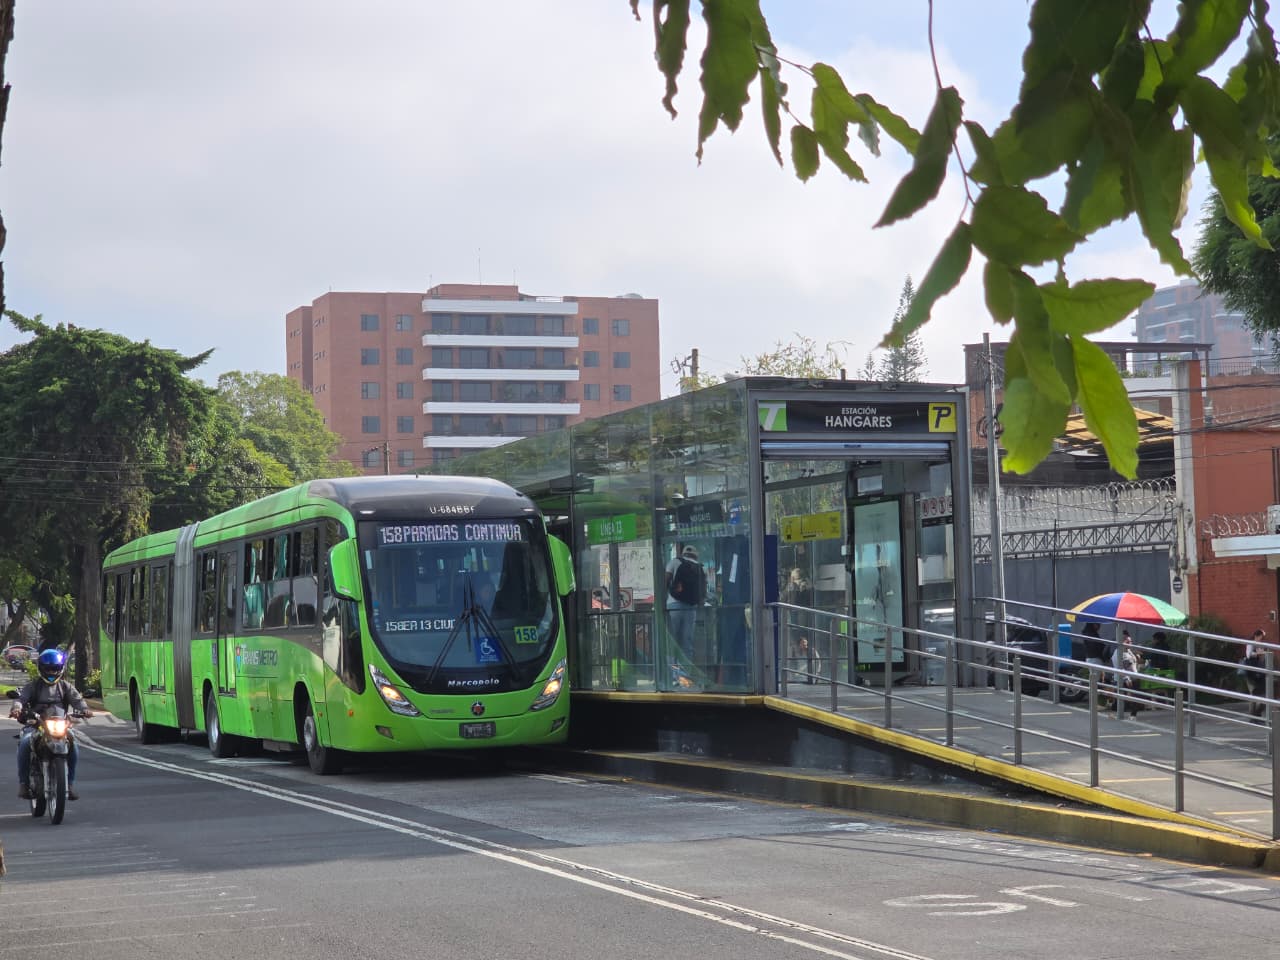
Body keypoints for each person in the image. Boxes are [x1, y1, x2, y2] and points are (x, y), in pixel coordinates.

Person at [9, 648, 92, 801]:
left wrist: (85, 709)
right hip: (36, 724)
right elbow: (21, 699)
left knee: (73, 745)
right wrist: (17, 708)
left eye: (55, 668)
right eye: (48, 669)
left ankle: (69, 784)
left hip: (60, 725)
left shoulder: (65, 686)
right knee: (25, 743)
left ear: (61, 668)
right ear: (41, 668)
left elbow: (77, 700)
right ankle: (23, 784)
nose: (52, 672)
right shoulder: (33, 686)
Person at [664, 545, 705, 667]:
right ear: (696, 555)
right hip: (691, 608)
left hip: (673, 605)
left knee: (672, 640)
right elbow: (702, 592)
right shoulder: (700, 567)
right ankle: (685, 673)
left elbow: (665, 581)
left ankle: (671, 673)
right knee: (687, 641)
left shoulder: (674, 562)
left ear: (683, 554)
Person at [1242, 628, 1269, 717]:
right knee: (1253, 694)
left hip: (1259, 672)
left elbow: (1262, 659)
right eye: (1260, 637)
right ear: (1256, 636)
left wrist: (1262, 654)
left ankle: (1256, 715)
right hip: (1251, 673)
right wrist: (1257, 653)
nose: (1261, 639)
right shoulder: (1251, 643)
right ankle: (1253, 717)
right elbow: (1248, 655)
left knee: (1263, 696)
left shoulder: (1261, 645)